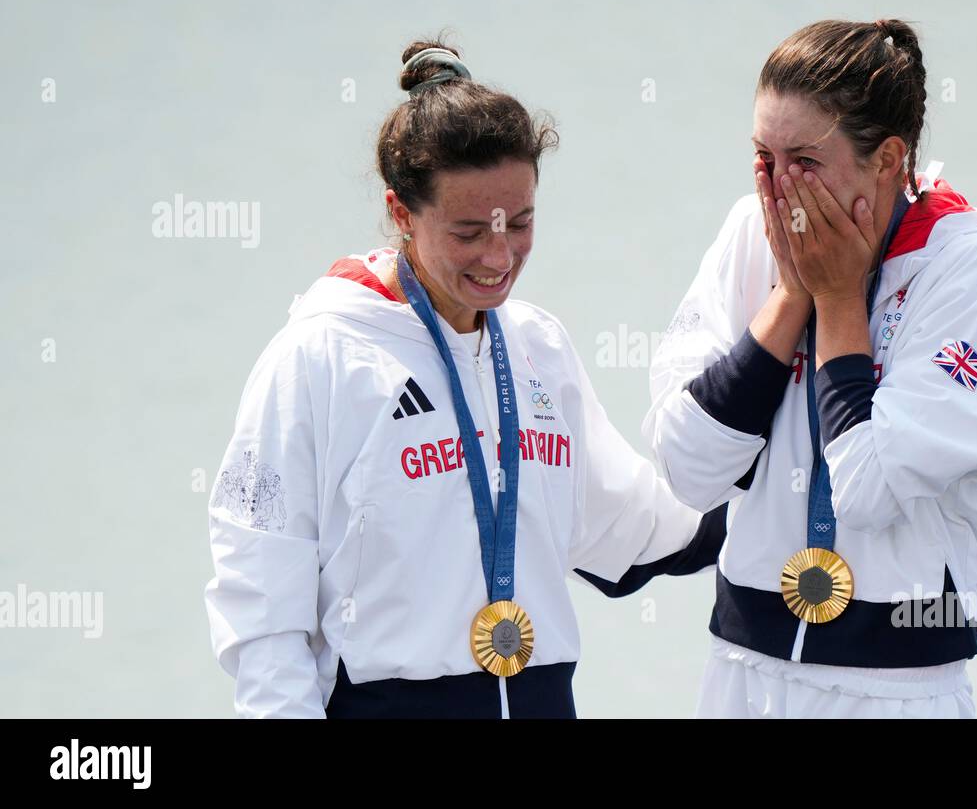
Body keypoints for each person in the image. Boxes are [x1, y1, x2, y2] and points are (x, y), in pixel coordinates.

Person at [204, 39, 723, 719]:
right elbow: (262, 607)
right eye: (470, 230)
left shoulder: (538, 345)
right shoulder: (319, 357)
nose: (500, 256)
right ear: (401, 213)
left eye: (522, 223)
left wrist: (772, 497)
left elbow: (628, 524)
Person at [644, 19, 977, 718]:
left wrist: (835, 296)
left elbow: (866, 486)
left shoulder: (973, 272)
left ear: (888, 159)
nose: (777, 185)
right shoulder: (753, 231)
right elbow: (687, 468)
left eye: (803, 158)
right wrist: (792, 292)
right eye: (762, 156)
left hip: (896, 688)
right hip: (741, 672)